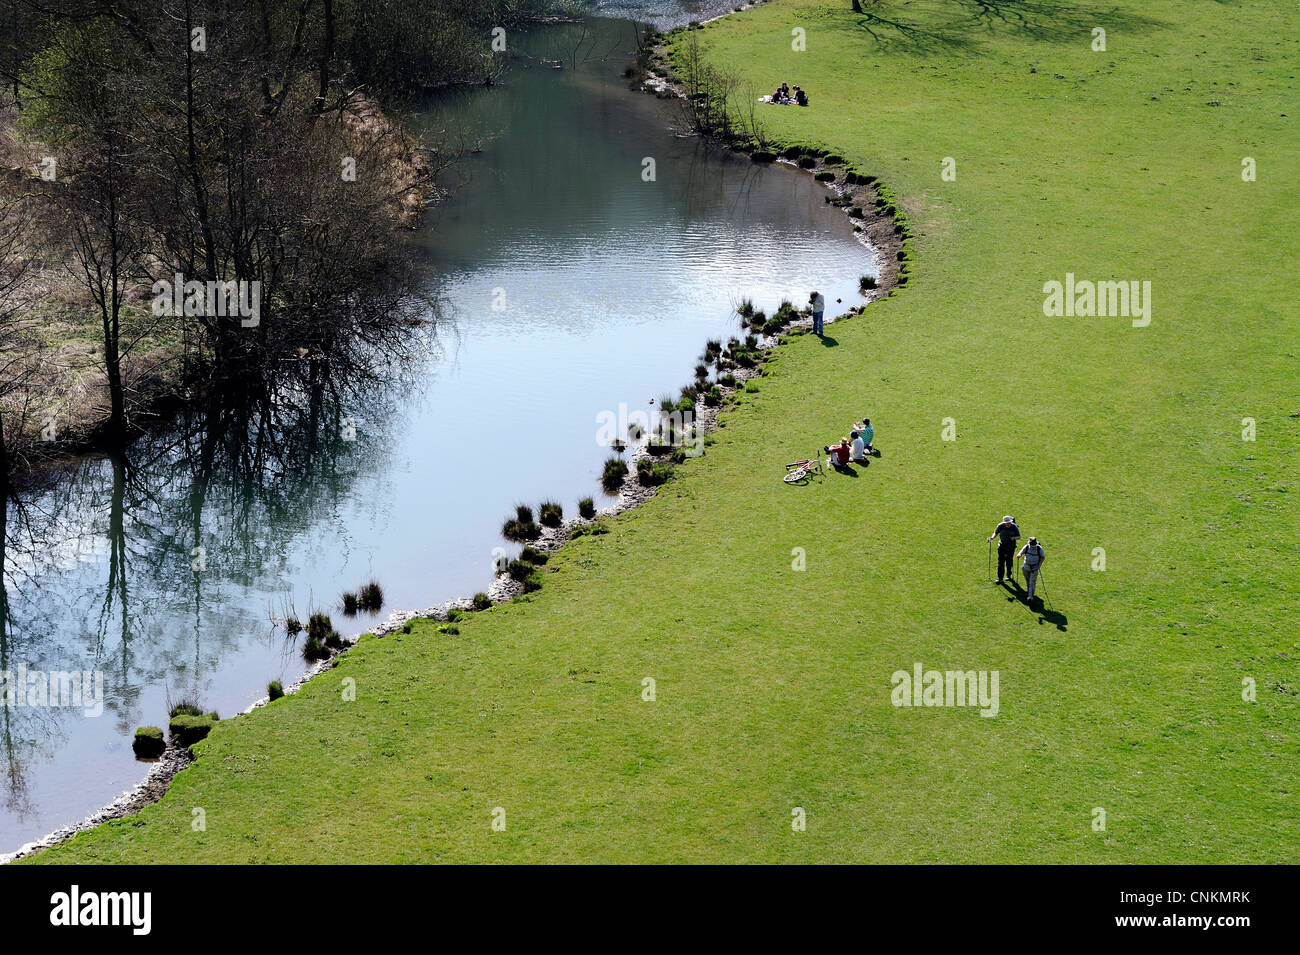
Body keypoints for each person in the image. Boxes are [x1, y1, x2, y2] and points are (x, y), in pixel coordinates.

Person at [986, 515, 1020, 585]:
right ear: (1004, 523)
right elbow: (996, 532)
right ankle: (1000, 578)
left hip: (1011, 547)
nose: (1008, 524)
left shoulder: (1014, 526)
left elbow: (1019, 536)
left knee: (1009, 561)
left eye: (1009, 523)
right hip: (1002, 546)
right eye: (1007, 523)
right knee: (1001, 562)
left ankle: (1008, 576)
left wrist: (1013, 538)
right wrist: (992, 538)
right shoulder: (1000, 526)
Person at [1017, 537, 1046, 601]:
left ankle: (1030, 596)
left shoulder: (1039, 548)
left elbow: (1043, 557)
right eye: (1032, 546)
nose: (1033, 547)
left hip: (1034, 567)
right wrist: (1019, 554)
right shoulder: (1026, 547)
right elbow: (1021, 552)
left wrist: (1039, 565)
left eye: (1034, 546)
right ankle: (1029, 592)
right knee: (1027, 580)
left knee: (1032, 582)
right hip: (1026, 566)